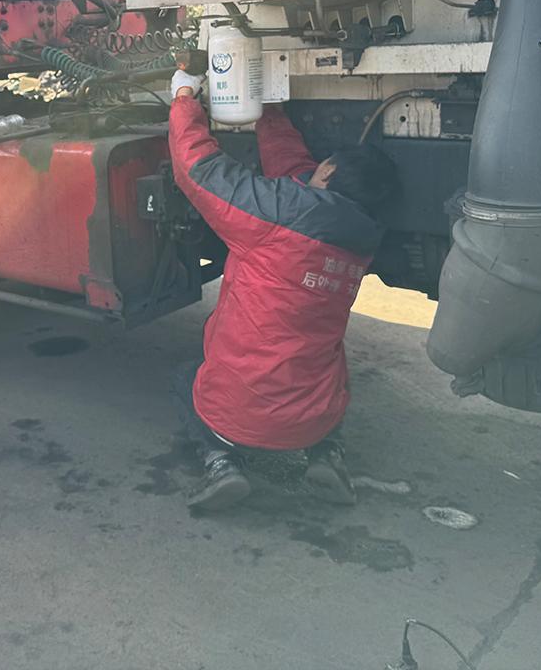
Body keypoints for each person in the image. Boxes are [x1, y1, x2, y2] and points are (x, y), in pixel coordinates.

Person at [168, 70, 399, 512]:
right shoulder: (362, 239)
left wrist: (183, 97)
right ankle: (328, 456)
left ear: (327, 169)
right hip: (314, 421)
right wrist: (269, 113)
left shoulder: (271, 220)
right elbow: (295, 174)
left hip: (237, 416)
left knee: (186, 378)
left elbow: (199, 169)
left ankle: (221, 463)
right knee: (328, 363)